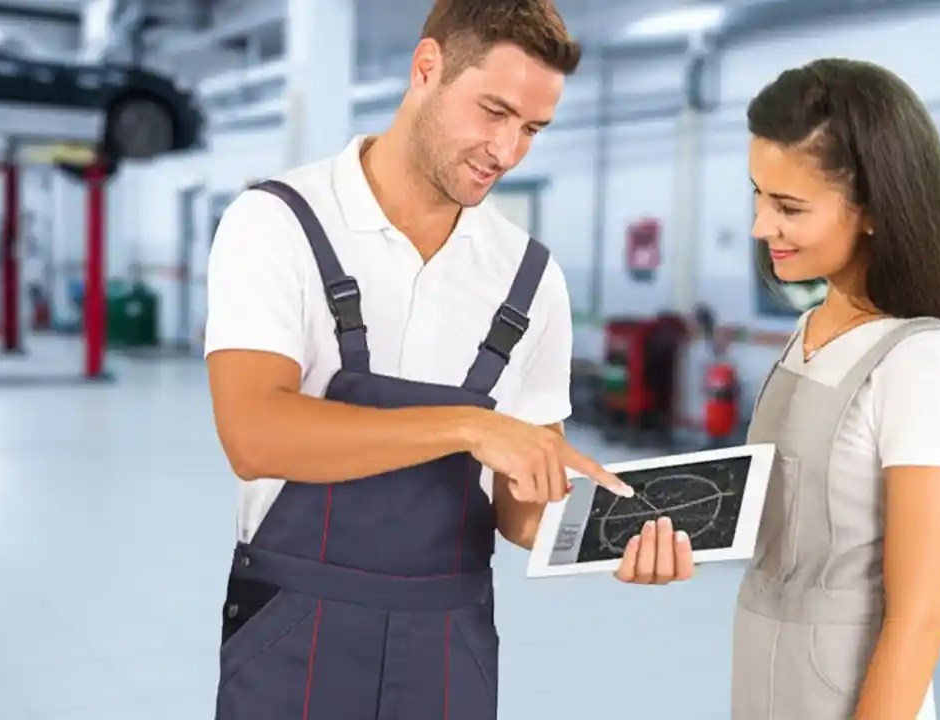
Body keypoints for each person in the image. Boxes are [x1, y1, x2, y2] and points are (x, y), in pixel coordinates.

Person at [204, 1, 692, 717]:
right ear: (426, 68)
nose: (507, 150)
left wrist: (613, 538)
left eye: (532, 129)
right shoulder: (278, 223)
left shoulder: (528, 276)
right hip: (292, 625)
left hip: (447, 641)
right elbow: (253, 435)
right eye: (493, 111)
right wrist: (469, 427)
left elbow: (522, 510)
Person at [733, 57, 940, 720]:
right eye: (757, 194)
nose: (761, 225)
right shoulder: (807, 328)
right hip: (762, 678)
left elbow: (921, 616)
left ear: (873, 208)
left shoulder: (923, 361)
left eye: (788, 206)